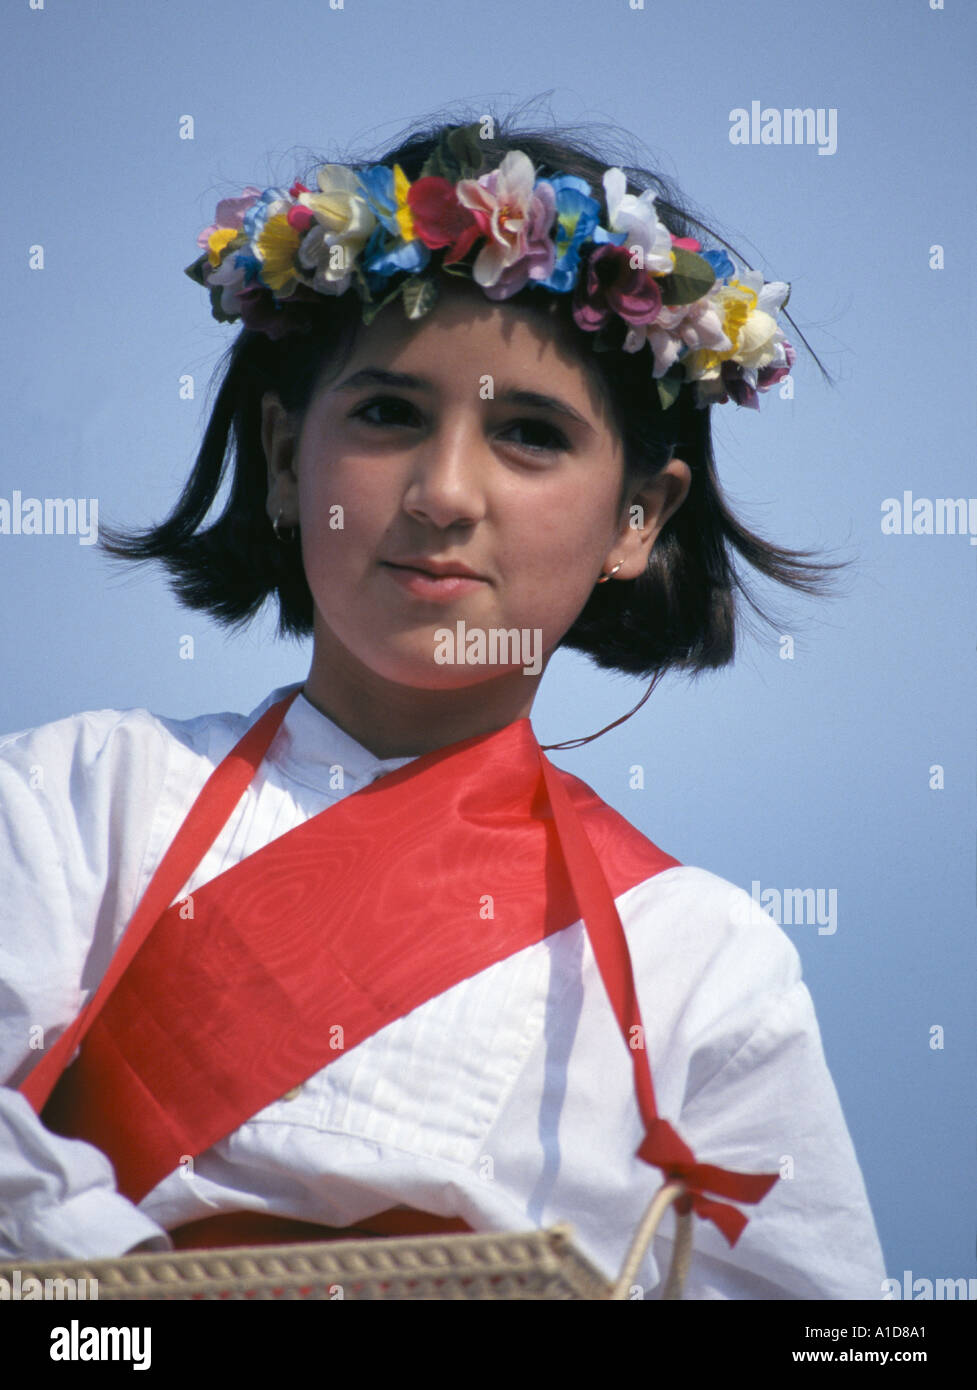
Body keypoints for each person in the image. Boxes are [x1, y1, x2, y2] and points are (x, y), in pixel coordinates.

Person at [0, 113, 884, 1298]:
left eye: (528, 435)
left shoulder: (702, 964)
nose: (443, 493)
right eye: (386, 415)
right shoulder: (75, 800)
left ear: (639, 521)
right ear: (279, 458)